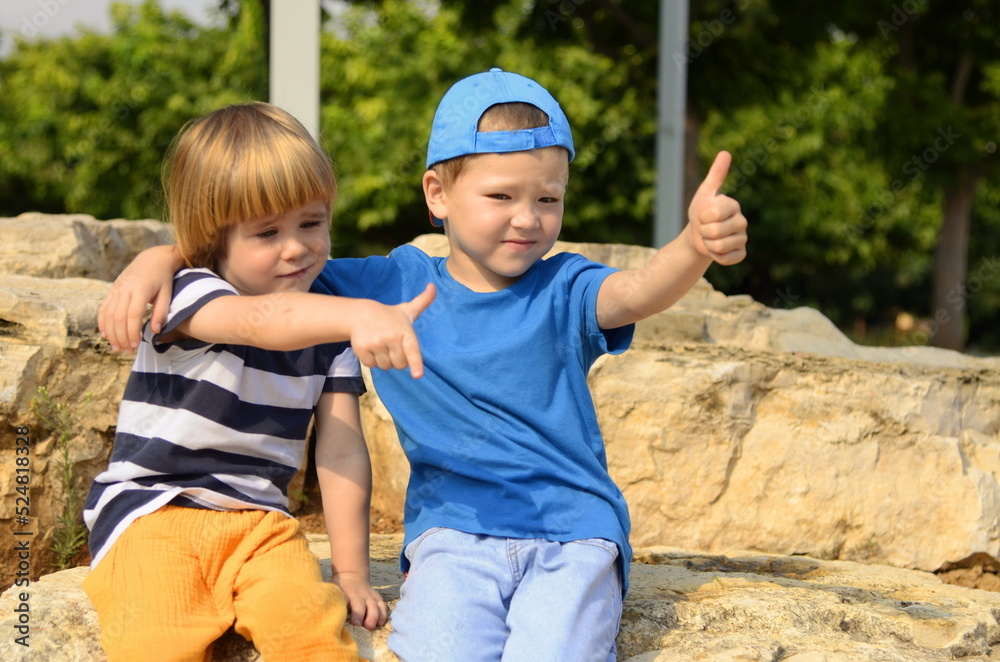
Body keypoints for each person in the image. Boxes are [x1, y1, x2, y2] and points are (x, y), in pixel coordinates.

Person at [99, 69, 748, 661]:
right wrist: (160, 258)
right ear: (437, 193)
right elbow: (251, 278)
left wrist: (693, 246)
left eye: (549, 199)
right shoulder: (385, 288)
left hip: (573, 528)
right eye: (501, 195)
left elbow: (635, 292)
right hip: (452, 532)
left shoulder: (565, 286)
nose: (527, 218)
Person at [83, 101, 436, 662]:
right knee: (157, 640)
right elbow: (260, 322)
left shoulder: (328, 331)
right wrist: (359, 313)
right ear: (214, 239)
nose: (295, 247)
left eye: (311, 223)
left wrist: (350, 573)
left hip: (262, 527)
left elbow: (341, 450)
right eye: (267, 232)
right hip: (155, 514)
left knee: (313, 632)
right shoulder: (192, 291)